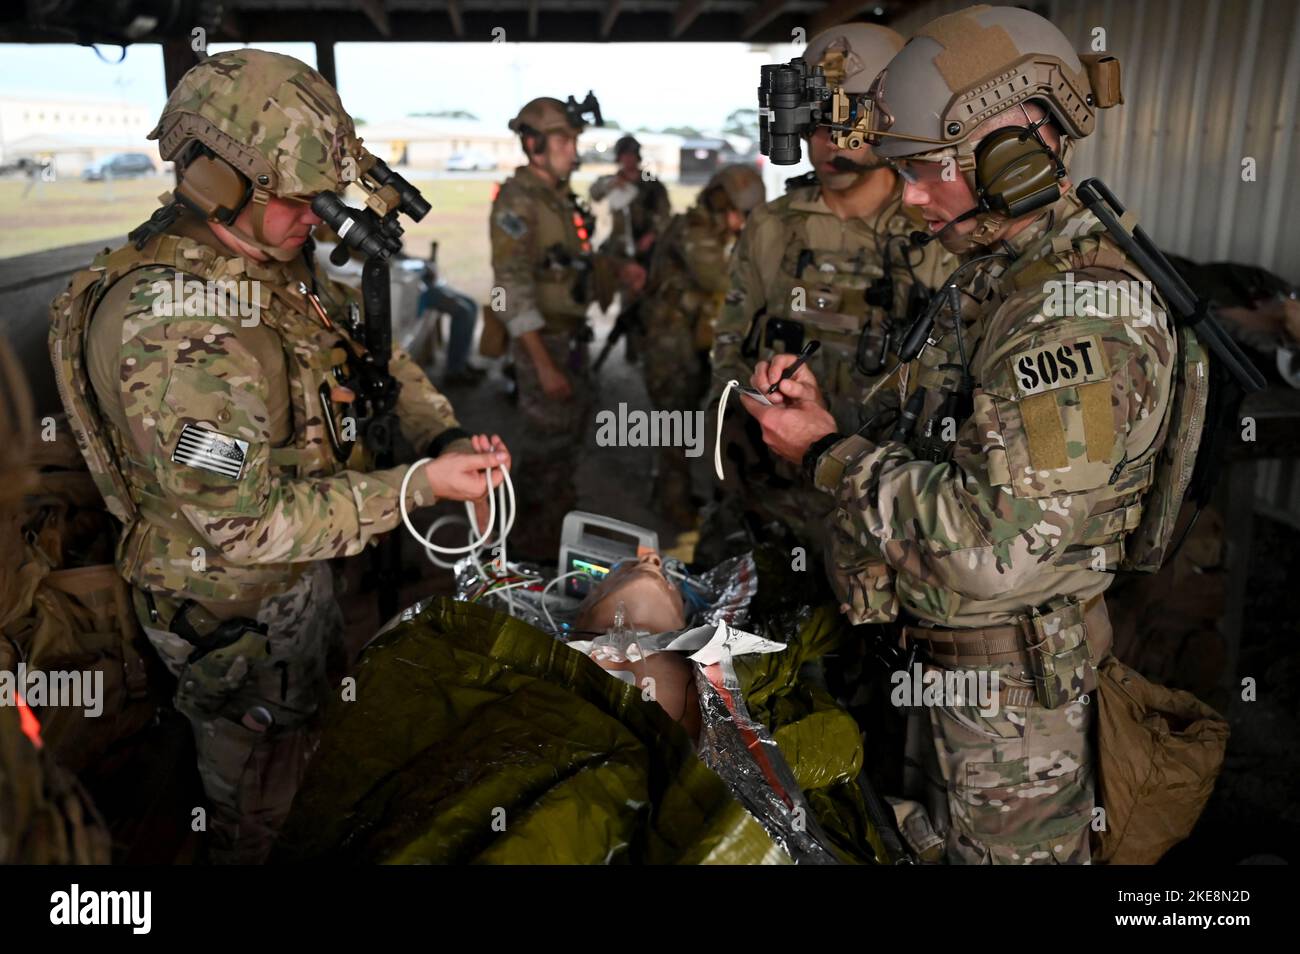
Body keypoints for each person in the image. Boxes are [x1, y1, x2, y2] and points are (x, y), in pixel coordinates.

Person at [48, 49, 511, 863]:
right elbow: (244, 527)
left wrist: (439, 436)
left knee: (317, 769)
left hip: (304, 580)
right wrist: (415, 487)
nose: (319, 221)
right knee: (266, 823)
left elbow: (375, 356)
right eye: (301, 200)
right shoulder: (177, 324)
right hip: (234, 618)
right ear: (219, 184)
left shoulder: (265, 265)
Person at [743, 4, 1182, 864]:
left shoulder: (1073, 316)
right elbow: (943, 438)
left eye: (924, 169)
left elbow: (995, 542)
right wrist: (826, 408)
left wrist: (827, 457)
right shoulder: (1004, 277)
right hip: (950, 673)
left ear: (1015, 153)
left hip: (1008, 715)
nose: (906, 194)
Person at [706, 23, 956, 558]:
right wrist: (745, 414)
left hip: (887, 508)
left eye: (846, 123)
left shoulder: (941, 231)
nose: (828, 144)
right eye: (815, 124)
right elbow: (729, 343)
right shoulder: (772, 226)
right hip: (774, 497)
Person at [490, 96, 645, 558]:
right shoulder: (517, 203)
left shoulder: (556, 197)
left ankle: (555, 525)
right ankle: (524, 554)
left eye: (574, 138)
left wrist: (616, 268)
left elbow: (573, 259)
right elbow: (510, 289)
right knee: (542, 453)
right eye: (563, 138)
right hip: (545, 343)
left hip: (568, 337)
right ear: (534, 143)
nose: (573, 148)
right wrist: (543, 366)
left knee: (566, 443)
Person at [640, 164, 765, 528]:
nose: (740, 222)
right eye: (736, 212)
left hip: (694, 340)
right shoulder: (693, 230)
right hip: (671, 344)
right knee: (675, 423)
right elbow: (719, 280)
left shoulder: (717, 231)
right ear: (717, 201)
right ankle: (671, 502)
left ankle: (674, 493)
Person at [590, 134, 672, 365]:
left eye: (631, 156)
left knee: (640, 302)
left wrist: (652, 235)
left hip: (645, 253)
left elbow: (665, 214)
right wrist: (612, 183)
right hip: (616, 253)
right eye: (624, 156)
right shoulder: (612, 181)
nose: (628, 161)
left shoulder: (651, 184)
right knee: (616, 298)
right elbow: (595, 192)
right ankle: (628, 351)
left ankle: (639, 351)